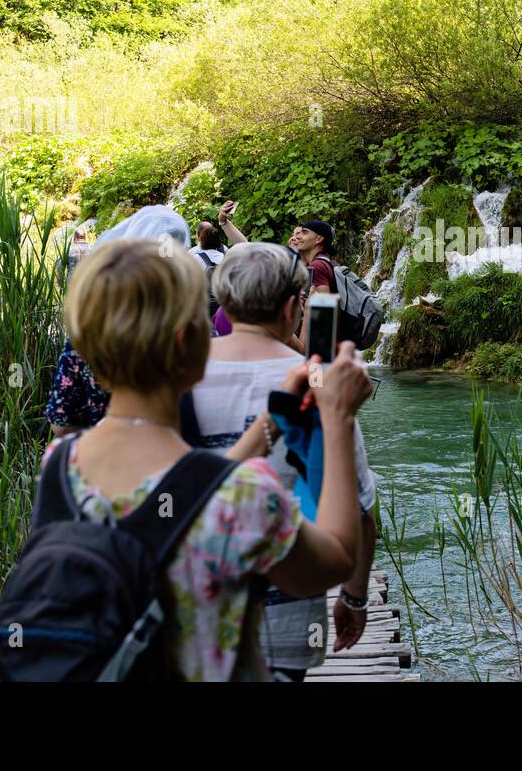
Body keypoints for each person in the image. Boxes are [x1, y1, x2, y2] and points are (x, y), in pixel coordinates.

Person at [46, 236, 373, 680]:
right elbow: (331, 561)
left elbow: (192, 492)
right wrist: (334, 416)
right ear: (187, 341)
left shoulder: (60, 464)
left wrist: (271, 422)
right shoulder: (247, 493)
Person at [185, 242, 379, 681]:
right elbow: (361, 509)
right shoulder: (316, 384)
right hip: (288, 620)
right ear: (294, 307)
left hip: (193, 607)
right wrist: (354, 597)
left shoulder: (180, 374)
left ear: (224, 300)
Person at [44, 206, 190, 437]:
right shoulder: (190, 333)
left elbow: (61, 424)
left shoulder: (86, 338)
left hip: (105, 459)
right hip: (177, 463)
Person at [289, 219, 338, 296]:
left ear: (318, 239)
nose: (297, 237)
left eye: (304, 232)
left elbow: (322, 305)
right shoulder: (329, 263)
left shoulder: (316, 266)